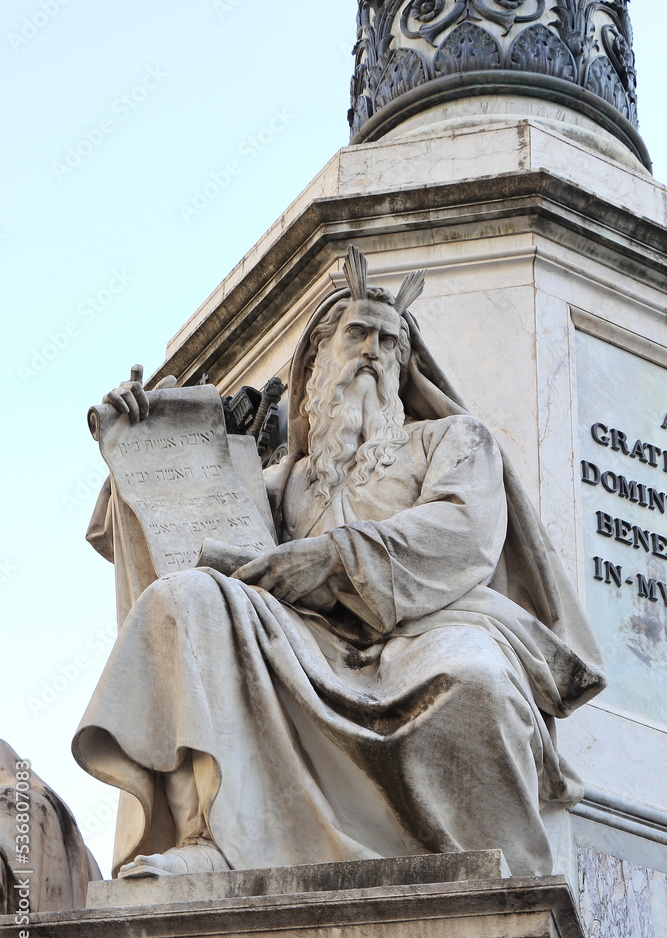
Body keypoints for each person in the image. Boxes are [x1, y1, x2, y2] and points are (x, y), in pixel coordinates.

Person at [74, 246, 605, 880]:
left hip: (429, 628)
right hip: (303, 639)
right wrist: (143, 441)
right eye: (358, 334)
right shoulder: (284, 480)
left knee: (474, 682)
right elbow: (178, 529)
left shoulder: (452, 440)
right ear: (317, 362)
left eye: (391, 342)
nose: (375, 352)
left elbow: (462, 532)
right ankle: (213, 835)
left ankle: (496, 878)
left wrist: (330, 558)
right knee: (183, 600)